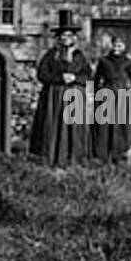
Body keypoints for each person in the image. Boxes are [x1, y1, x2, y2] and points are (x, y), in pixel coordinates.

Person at [28, 11, 92, 167]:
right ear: (59, 38)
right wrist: (59, 78)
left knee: (73, 129)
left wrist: (75, 78)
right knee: (54, 126)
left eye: (69, 35)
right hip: (54, 97)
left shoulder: (79, 56)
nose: (66, 38)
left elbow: (88, 74)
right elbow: (42, 74)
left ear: (74, 38)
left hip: (74, 96)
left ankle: (72, 159)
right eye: (63, 35)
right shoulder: (51, 55)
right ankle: (51, 158)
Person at [92, 34, 131, 163]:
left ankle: (120, 154)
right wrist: (97, 93)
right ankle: (103, 155)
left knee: (122, 125)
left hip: (122, 95)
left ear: (124, 47)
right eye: (114, 45)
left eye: (119, 45)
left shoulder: (128, 62)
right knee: (105, 125)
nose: (116, 48)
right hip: (106, 94)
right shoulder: (104, 61)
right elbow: (96, 79)